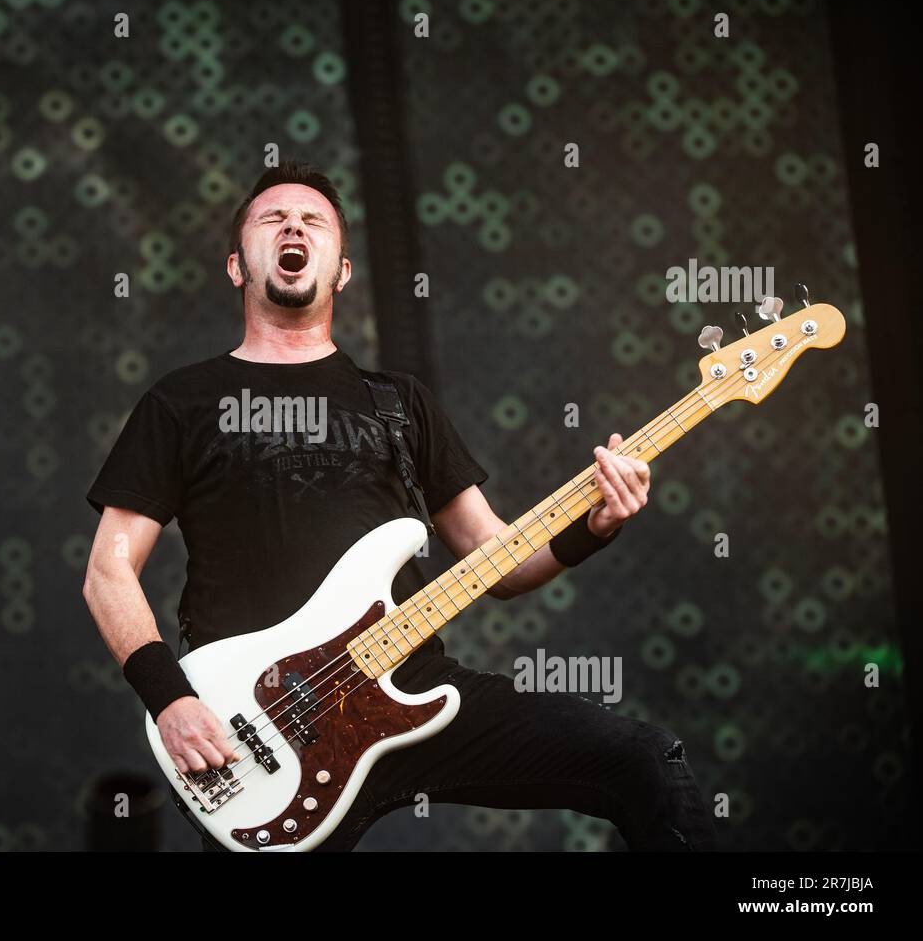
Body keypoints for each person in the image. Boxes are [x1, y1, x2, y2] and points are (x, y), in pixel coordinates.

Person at [82, 159, 717, 851]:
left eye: (313, 220)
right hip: (260, 732)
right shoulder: (182, 403)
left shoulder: (398, 403)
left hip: (411, 688)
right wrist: (170, 699)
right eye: (273, 217)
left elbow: (498, 562)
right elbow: (108, 571)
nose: (294, 224)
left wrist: (593, 528)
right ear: (237, 266)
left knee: (645, 762)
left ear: (343, 272)